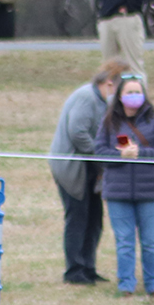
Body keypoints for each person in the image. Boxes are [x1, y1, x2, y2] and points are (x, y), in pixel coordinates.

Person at [92, 74, 154, 298]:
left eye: (138, 92)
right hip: (118, 192)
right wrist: (122, 157)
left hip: (151, 192)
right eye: (129, 92)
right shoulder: (108, 121)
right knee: (124, 242)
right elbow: (100, 154)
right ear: (120, 96)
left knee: (149, 242)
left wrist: (140, 153)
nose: (134, 96)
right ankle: (126, 285)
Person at [51, 60, 125, 285]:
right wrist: (102, 155)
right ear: (110, 83)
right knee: (78, 217)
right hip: (74, 167)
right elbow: (78, 132)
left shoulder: (103, 102)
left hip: (91, 166)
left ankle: (89, 268)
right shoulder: (87, 97)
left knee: (95, 219)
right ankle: (74, 270)